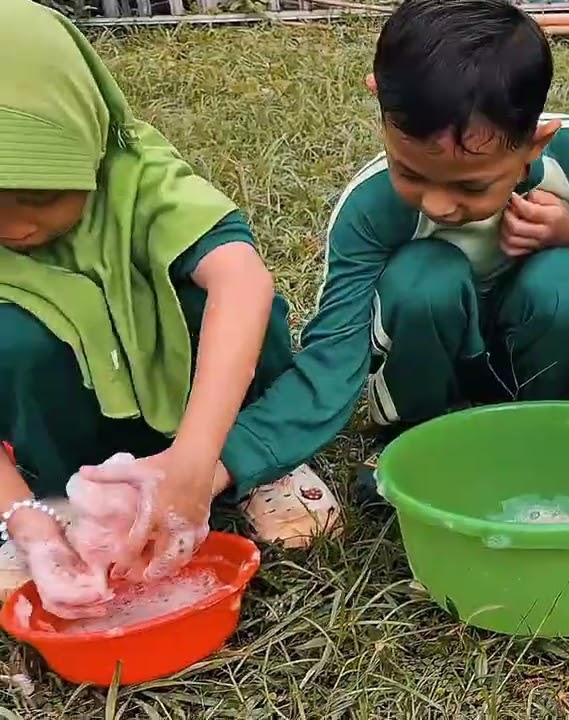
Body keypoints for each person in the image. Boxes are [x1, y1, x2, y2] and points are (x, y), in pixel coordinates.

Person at [0, 0, 340, 606]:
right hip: (76, 430)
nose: (18, 227)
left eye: (43, 193)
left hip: (202, 419)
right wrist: (24, 521)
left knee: (213, 292)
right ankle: (54, 504)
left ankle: (254, 462)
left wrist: (193, 460)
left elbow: (243, 281)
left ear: (88, 139)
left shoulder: (135, 176)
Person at [233, 0, 569, 492]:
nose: (440, 205)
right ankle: (417, 443)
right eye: (412, 173)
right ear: (380, 101)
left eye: (470, 187)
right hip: (429, 379)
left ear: (536, 143)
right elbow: (335, 351)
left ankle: (555, 433)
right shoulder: (371, 207)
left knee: (566, 281)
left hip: (534, 358)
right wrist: (231, 459)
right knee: (425, 279)